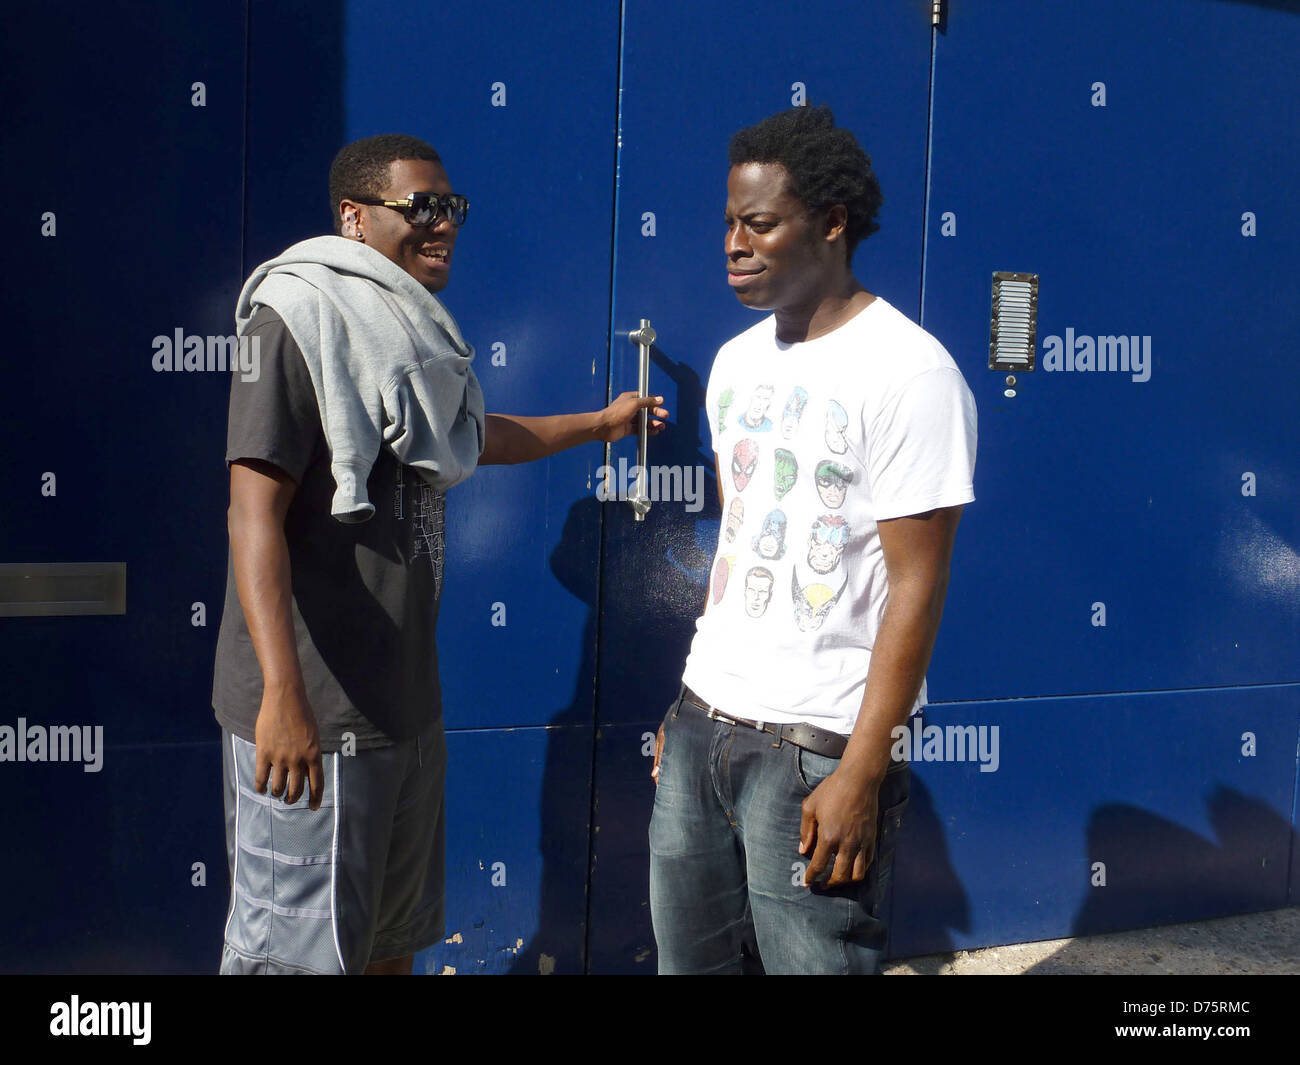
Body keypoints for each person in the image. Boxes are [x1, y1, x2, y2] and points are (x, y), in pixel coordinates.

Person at [212, 133, 665, 975]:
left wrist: (599, 425)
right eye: (419, 206)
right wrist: (281, 693)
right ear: (354, 216)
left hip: (404, 709)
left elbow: (470, 438)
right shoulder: (296, 320)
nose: (443, 223)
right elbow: (252, 513)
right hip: (311, 712)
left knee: (391, 944)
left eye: (451, 206)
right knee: (296, 957)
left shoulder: (409, 334)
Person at [649, 106, 977, 975]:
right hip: (701, 727)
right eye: (728, 222)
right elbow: (746, 542)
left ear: (831, 224)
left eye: (760, 224)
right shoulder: (734, 363)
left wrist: (861, 772)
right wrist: (689, 709)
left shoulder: (910, 372)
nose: (734, 243)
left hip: (815, 748)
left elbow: (917, 586)